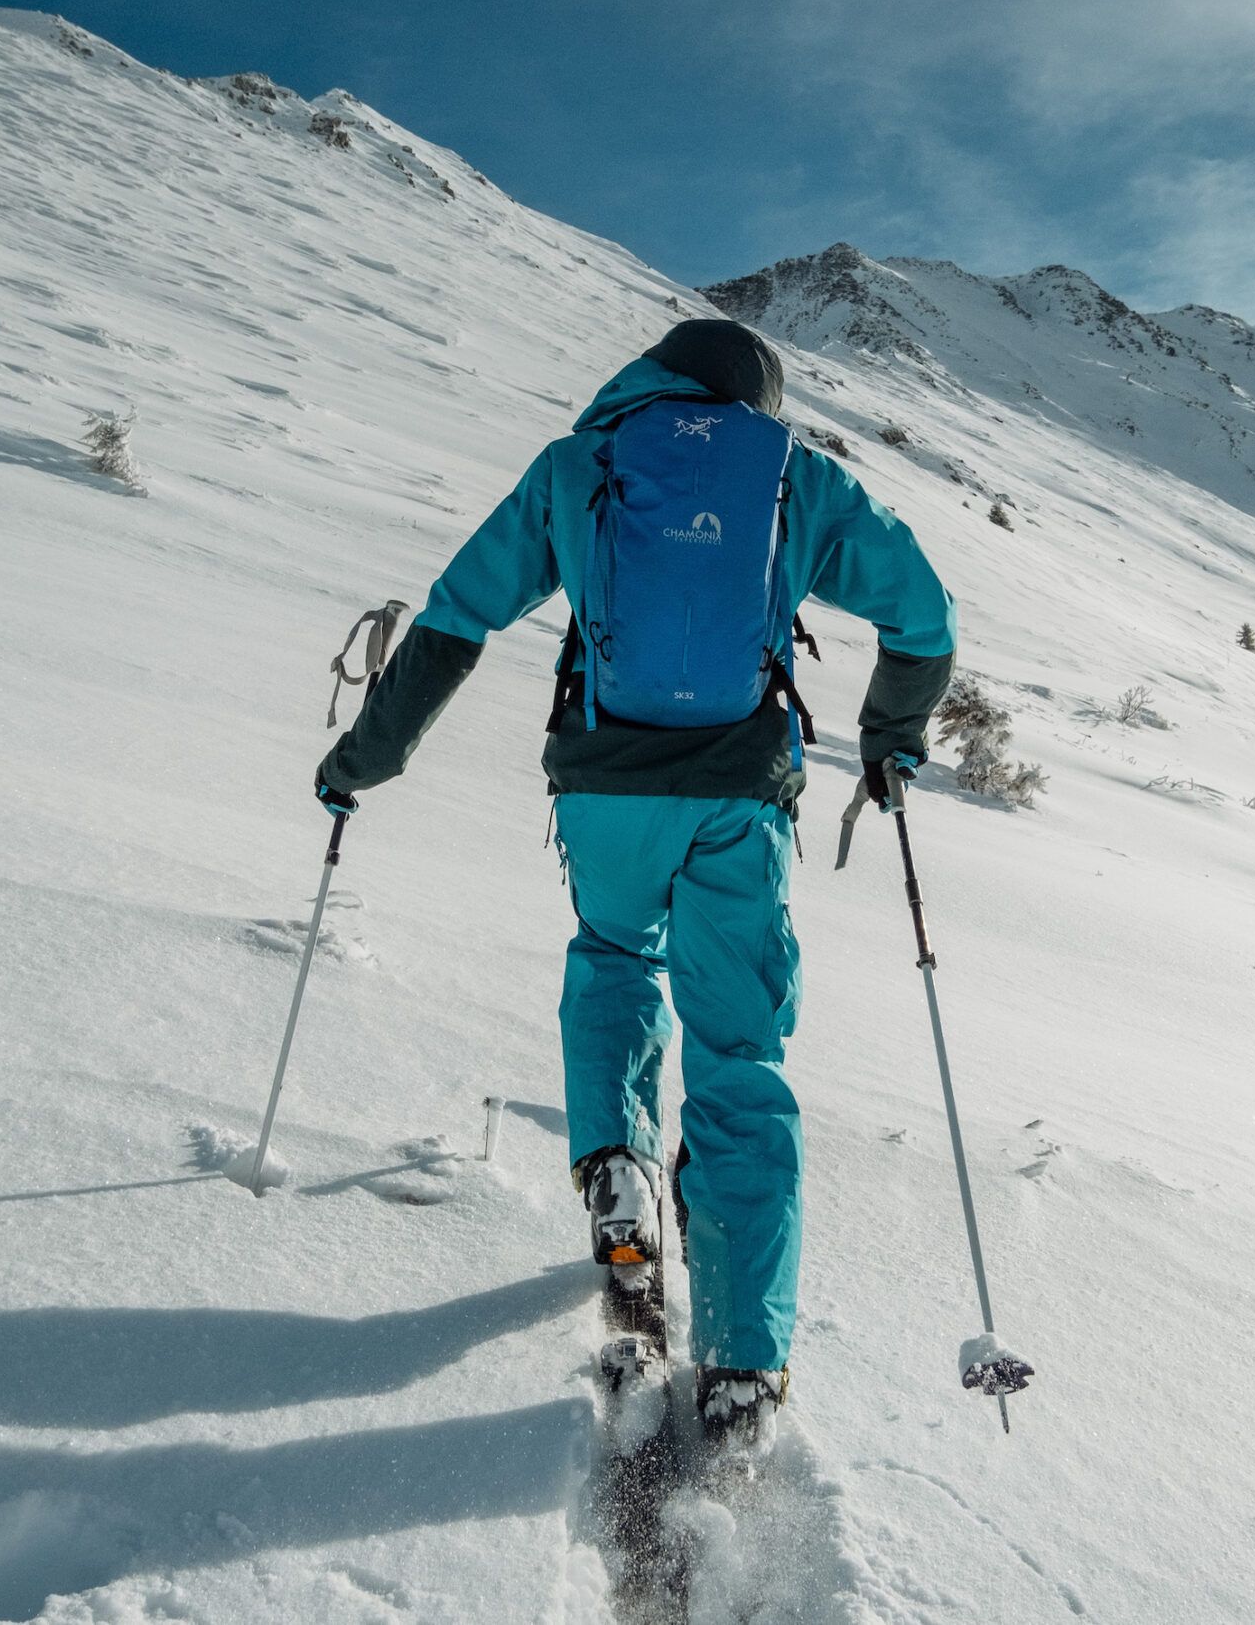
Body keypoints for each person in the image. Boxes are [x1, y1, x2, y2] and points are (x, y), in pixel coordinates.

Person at [314, 318, 954, 1449]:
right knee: (739, 1055)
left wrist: (365, 757)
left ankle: (618, 1164)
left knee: (615, 955)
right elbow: (923, 614)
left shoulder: (580, 464)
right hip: (738, 800)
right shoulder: (797, 477)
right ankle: (744, 1364)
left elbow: (458, 616)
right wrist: (889, 738)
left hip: (604, 791)